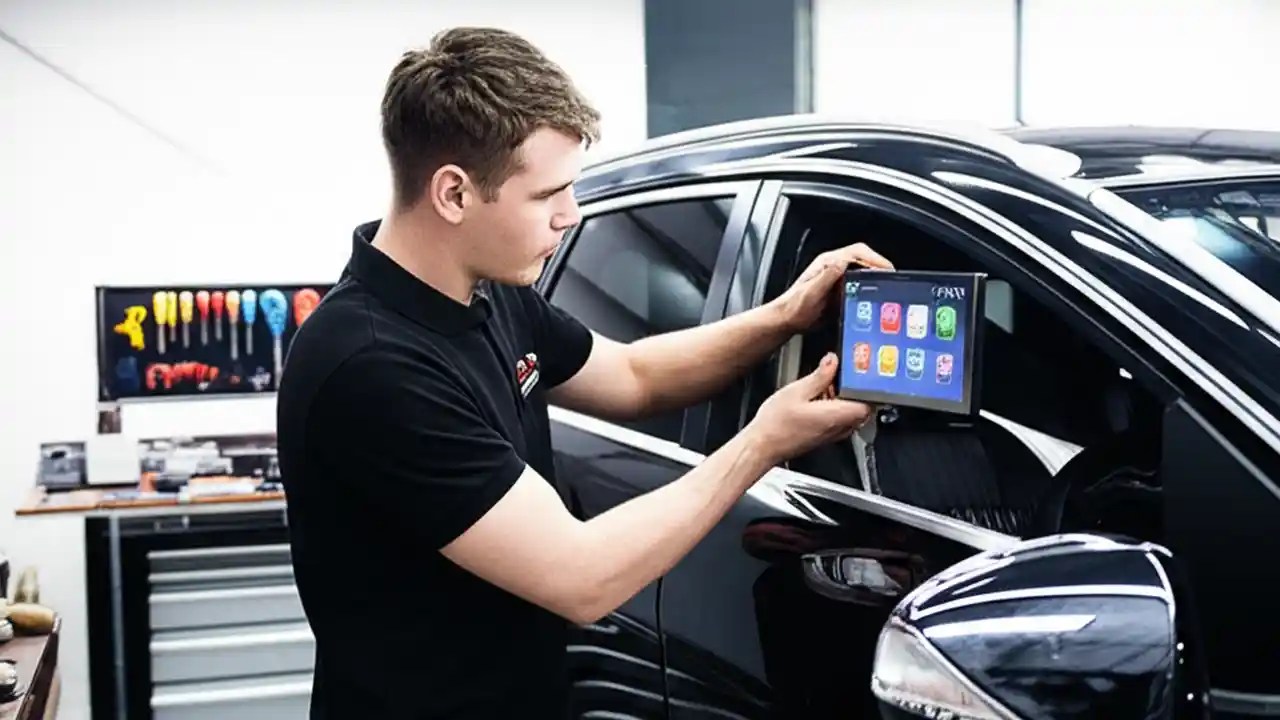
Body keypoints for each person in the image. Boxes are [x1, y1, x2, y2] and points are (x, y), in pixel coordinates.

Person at [275, 26, 893, 720]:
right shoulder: (372, 366)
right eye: (548, 195)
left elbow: (633, 375)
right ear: (452, 193)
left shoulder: (490, 292)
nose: (571, 215)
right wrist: (761, 443)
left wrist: (783, 315)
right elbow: (582, 575)